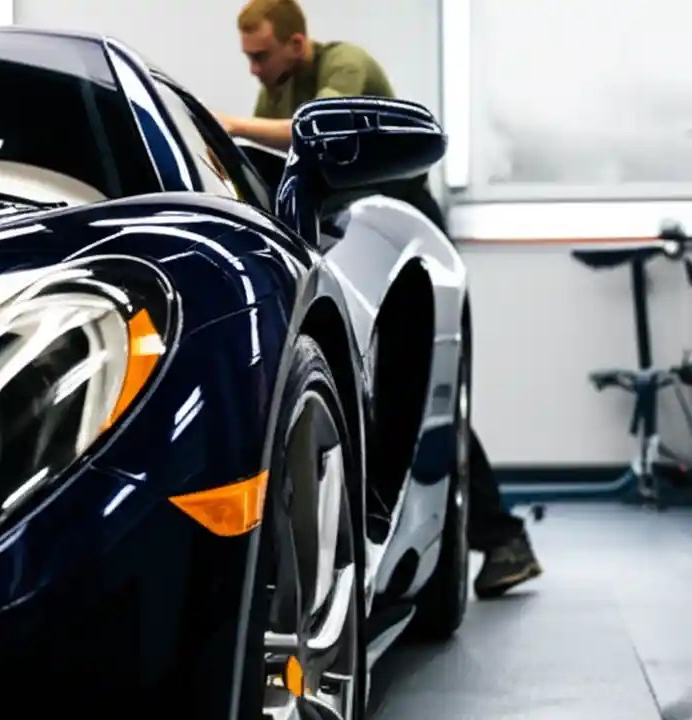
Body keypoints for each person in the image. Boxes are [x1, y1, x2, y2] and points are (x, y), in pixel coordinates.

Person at [219, 0, 543, 600]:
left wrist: (230, 126)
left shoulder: (347, 65)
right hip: (337, 236)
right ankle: (498, 535)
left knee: (406, 392)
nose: (255, 69)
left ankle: (501, 535)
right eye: (248, 58)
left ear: (297, 43)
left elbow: (311, 131)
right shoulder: (275, 89)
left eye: (262, 55)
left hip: (397, 237)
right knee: (382, 395)